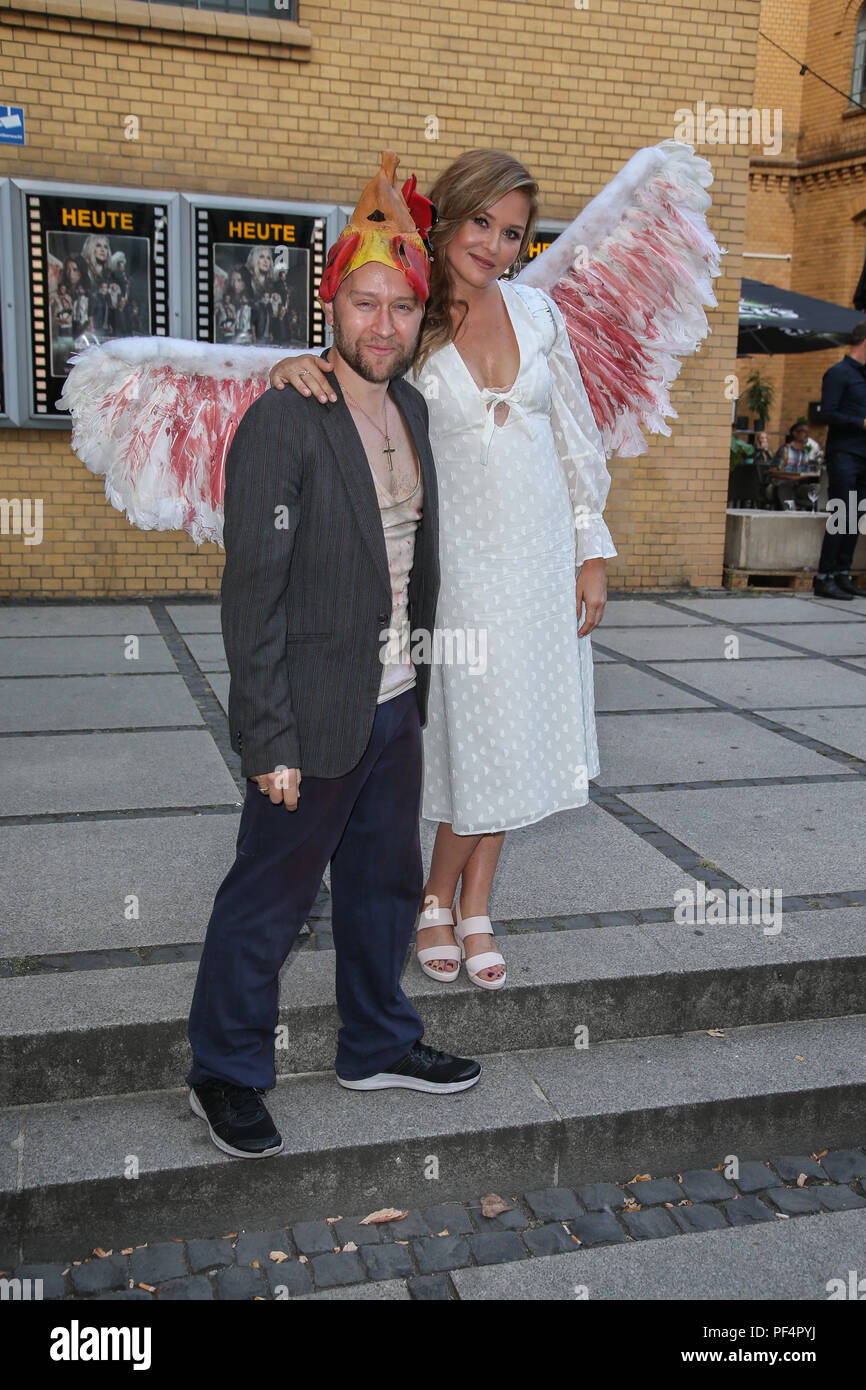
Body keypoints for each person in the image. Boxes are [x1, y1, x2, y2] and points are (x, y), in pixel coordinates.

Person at [185, 154, 481, 1162]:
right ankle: (223, 1070)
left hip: (393, 702)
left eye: (401, 307)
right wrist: (265, 736)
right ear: (332, 305)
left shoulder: (412, 410)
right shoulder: (284, 418)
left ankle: (377, 1041)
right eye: (365, 303)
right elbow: (251, 594)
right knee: (266, 900)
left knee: (380, 889)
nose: (384, 325)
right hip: (308, 713)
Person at [270, 149, 615, 992]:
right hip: (459, 572)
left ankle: (476, 903)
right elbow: (346, 368)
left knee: (524, 731)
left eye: (513, 233)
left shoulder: (539, 315)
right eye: (482, 224)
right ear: (450, 218)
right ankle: (433, 895)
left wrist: (592, 551)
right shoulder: (412, 319)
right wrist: (291, 367)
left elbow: (572, 438)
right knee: (476, 739)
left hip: (542, 561)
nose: (495, 247)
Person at [814, 322, 866, 599]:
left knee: (857, 517)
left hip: (864, 457)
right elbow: (827, 414)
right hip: (844, 454)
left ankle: (842, 574)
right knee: (841, 515)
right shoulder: (837, 373)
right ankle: (824, 578)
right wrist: (861, 423)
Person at [766, 421, 821, 509]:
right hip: (781, 485)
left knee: (816, 489)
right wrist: (792, 478)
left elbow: (806, 474)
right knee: (785, 488)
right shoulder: (785, 450)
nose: (806, 434)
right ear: (795, 433)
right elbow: (772, 472)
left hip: (798, 486)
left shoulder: (805, 453)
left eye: (808, 432)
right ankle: (789, 513)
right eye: (804, 431)